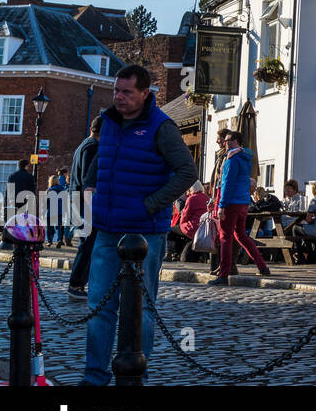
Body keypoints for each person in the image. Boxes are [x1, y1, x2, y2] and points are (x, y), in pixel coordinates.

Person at [82, 64, 195, 385]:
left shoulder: (162, 127)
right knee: (99, 305)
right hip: (107, 230)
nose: (119, 97)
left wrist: (150, 205)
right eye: (116, 90)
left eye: (126, 92)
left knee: (142, 307)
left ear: (145, 93)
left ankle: (135, 376)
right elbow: (100, 161)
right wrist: (91, 186)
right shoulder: (108, 122)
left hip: (146, 234)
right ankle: (94, 377)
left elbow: (188, 172)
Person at [208, 132, 270, 285]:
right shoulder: (245, 158)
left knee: (225, 238)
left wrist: (221, 205)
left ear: (236, 141)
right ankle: (262, 266)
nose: (225, 143)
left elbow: (227, 183)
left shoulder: (231, 159)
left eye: (228, 140)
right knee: (241, 235)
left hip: (231, 202)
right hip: (243, 202)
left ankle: (223, 275)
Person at [67, 115, 103, 300]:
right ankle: (76, 284)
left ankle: (79, 283)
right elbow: (87, 178)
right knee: (88, 245)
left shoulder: (83, 144)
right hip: (84, 201)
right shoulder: (92, 147)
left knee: (87, 244)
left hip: (77, 199)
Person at [293, 181, 316, 263]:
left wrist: (314, 220)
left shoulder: (315, 200)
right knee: (308, 234)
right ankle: (311, 255)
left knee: (295, 228)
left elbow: (308, 220)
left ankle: (300, 256)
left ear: (315, 191)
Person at [170, 182, 210, 259]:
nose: (187, 192)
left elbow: (185, 215)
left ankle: (170, 254)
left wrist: (182, 224)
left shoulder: (191, 198)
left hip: (192, 228)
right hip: (203, 229)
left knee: (170, 231)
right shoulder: (206, 198)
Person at [45, 174, 67, 246]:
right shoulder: (62, 189)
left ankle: (49, 241)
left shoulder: (49, 190)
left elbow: (46, 202)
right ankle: (59, 240)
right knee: (59, 227)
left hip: (51, 210)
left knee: (49, 227)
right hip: (60, 211)